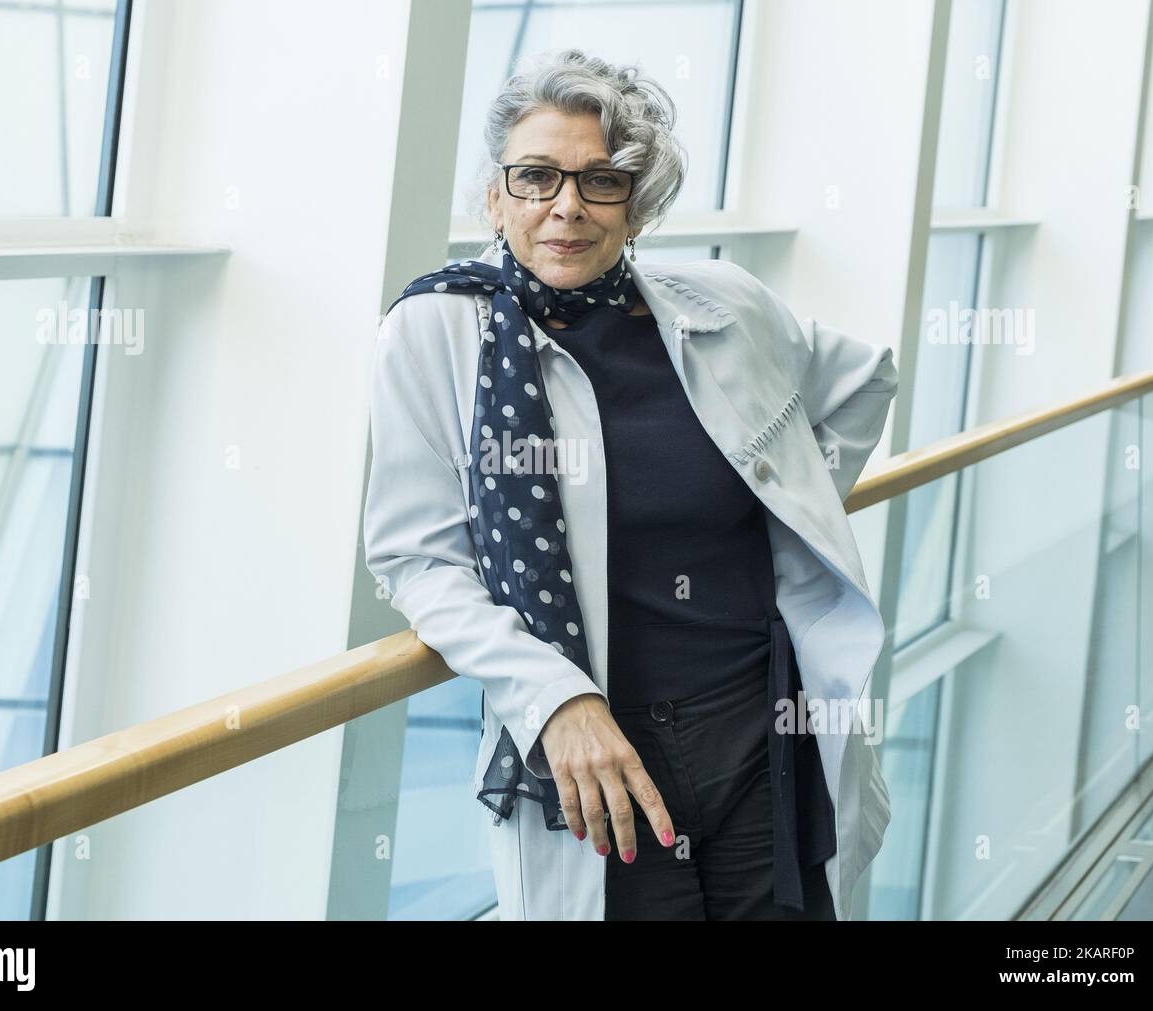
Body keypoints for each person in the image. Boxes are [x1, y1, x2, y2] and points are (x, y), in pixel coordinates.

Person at [364, 48, 898, 920]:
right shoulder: (433, 334)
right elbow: (417, 561)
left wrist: (788, 508)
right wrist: (555, 697)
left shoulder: (720, 305)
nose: (565, 206)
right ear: (495, 197)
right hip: (601, 751)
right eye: (536, 176)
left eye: (600, 181)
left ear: (636, 208)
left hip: (763, 722)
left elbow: (860, 381)